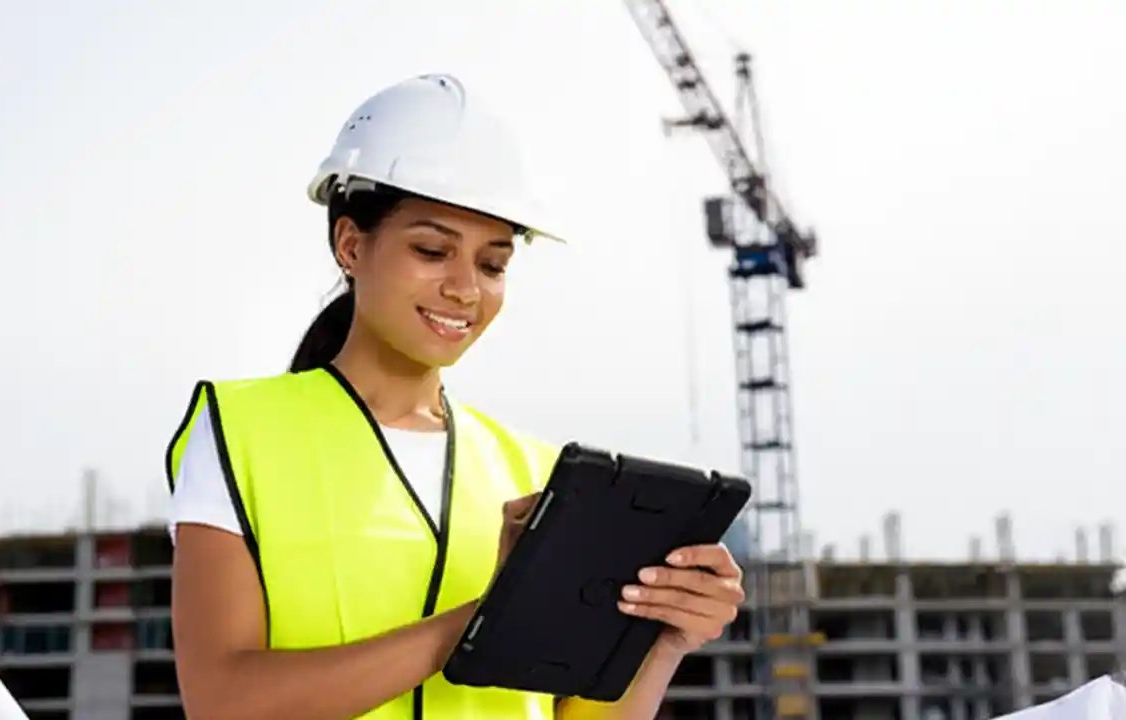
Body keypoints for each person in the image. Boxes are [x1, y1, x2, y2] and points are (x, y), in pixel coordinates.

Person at [164, 73, 746, 720]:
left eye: (493, 264)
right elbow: (223, 702)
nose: (466, 289)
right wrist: (483, 623)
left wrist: (658, 640)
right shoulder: (239, 430)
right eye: (433, 250)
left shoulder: (535, 471)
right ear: (351, 245)